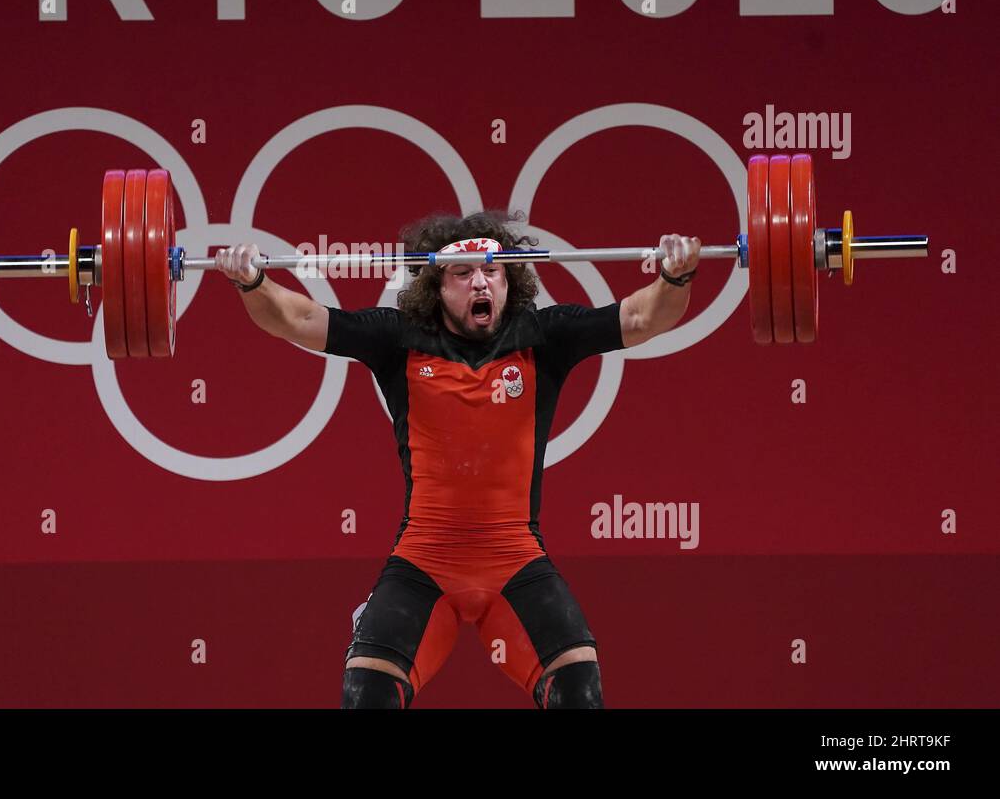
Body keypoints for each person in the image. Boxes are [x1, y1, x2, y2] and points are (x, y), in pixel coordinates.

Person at [214, 209, 701, 708]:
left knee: (580, 689)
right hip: (424, 561)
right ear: (437, 287)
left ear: (508, 279)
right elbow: (297, 319)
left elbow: (645, 317)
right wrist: (253, 283)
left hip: (515, 559)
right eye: (462, 273)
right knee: (367, 695)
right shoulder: (396, 338)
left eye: (491, 270)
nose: (479, 281)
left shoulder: (546, 338)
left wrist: (676, 275)